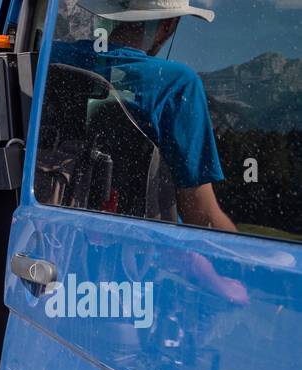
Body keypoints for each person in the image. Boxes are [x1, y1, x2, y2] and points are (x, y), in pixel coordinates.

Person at [57, 0, 235, 231]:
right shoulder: (177, 83)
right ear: (170, 23)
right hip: (137, 249)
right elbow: (201, 215)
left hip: (56, 225)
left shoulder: (53, 55)